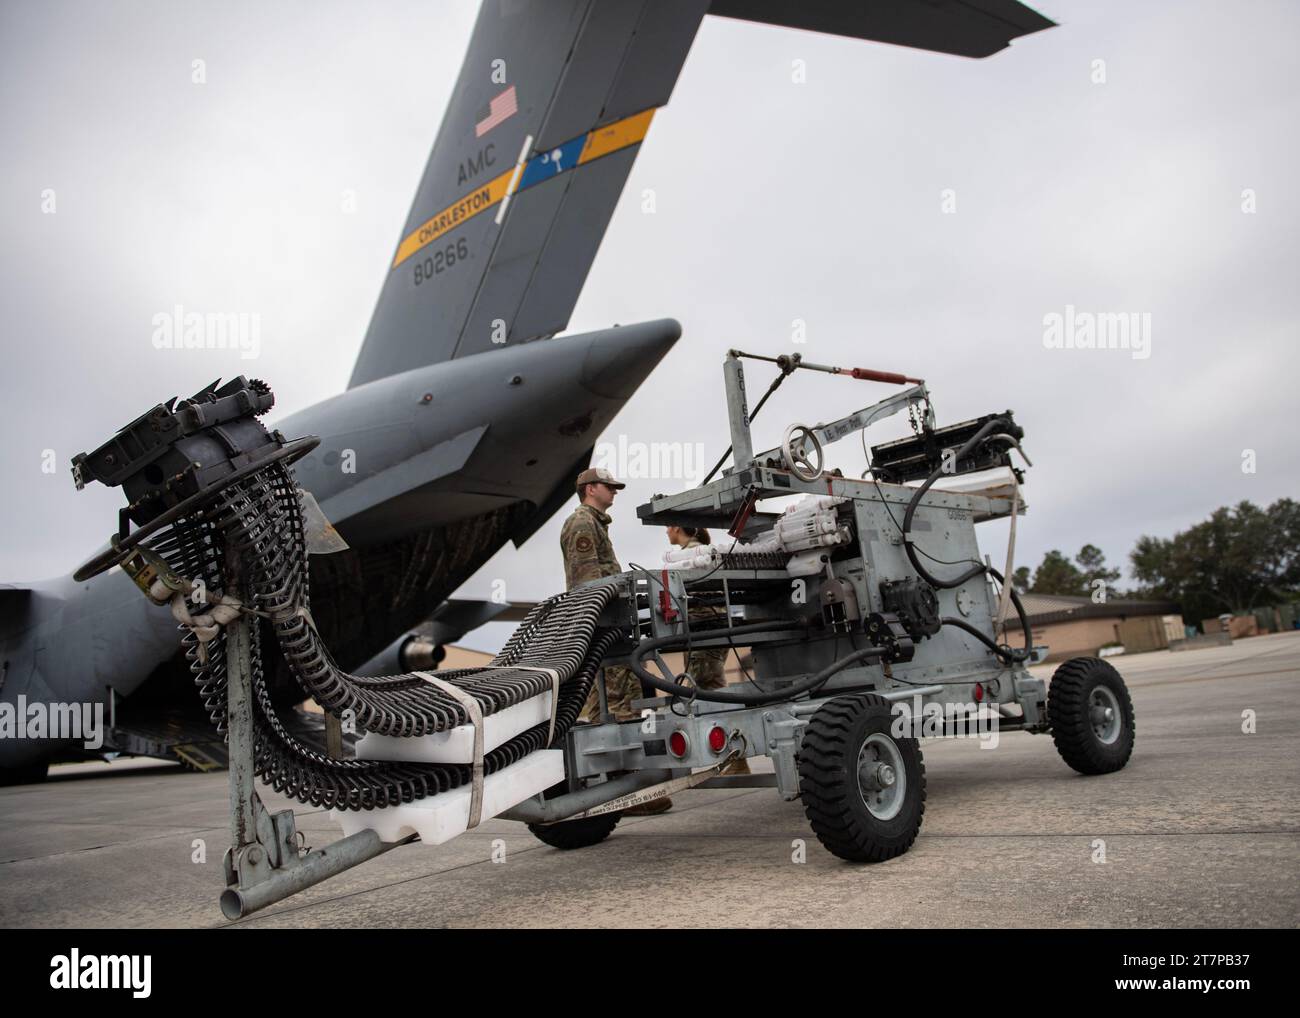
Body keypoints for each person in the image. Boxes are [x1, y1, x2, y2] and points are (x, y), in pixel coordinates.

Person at [561, 467, 672, 815]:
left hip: (610, 630)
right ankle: (624, 794)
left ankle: (619, 789)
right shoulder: (582, 523)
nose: (615, 492)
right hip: (604, 630)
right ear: (590, 488)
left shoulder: (594, 523)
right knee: (616, 707)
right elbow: (589, 585)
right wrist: (611, 627)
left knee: (614, 703)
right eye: (609, 487)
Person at [665, 524, 750, 776]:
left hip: (702, 635)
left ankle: (733, 759)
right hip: (711, 634)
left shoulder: (689, 556)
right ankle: (736, 759)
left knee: (702, 693)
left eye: (669, 527)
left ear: (679, 528)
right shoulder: (701, 552)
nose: (666, 532)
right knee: (713, 691)